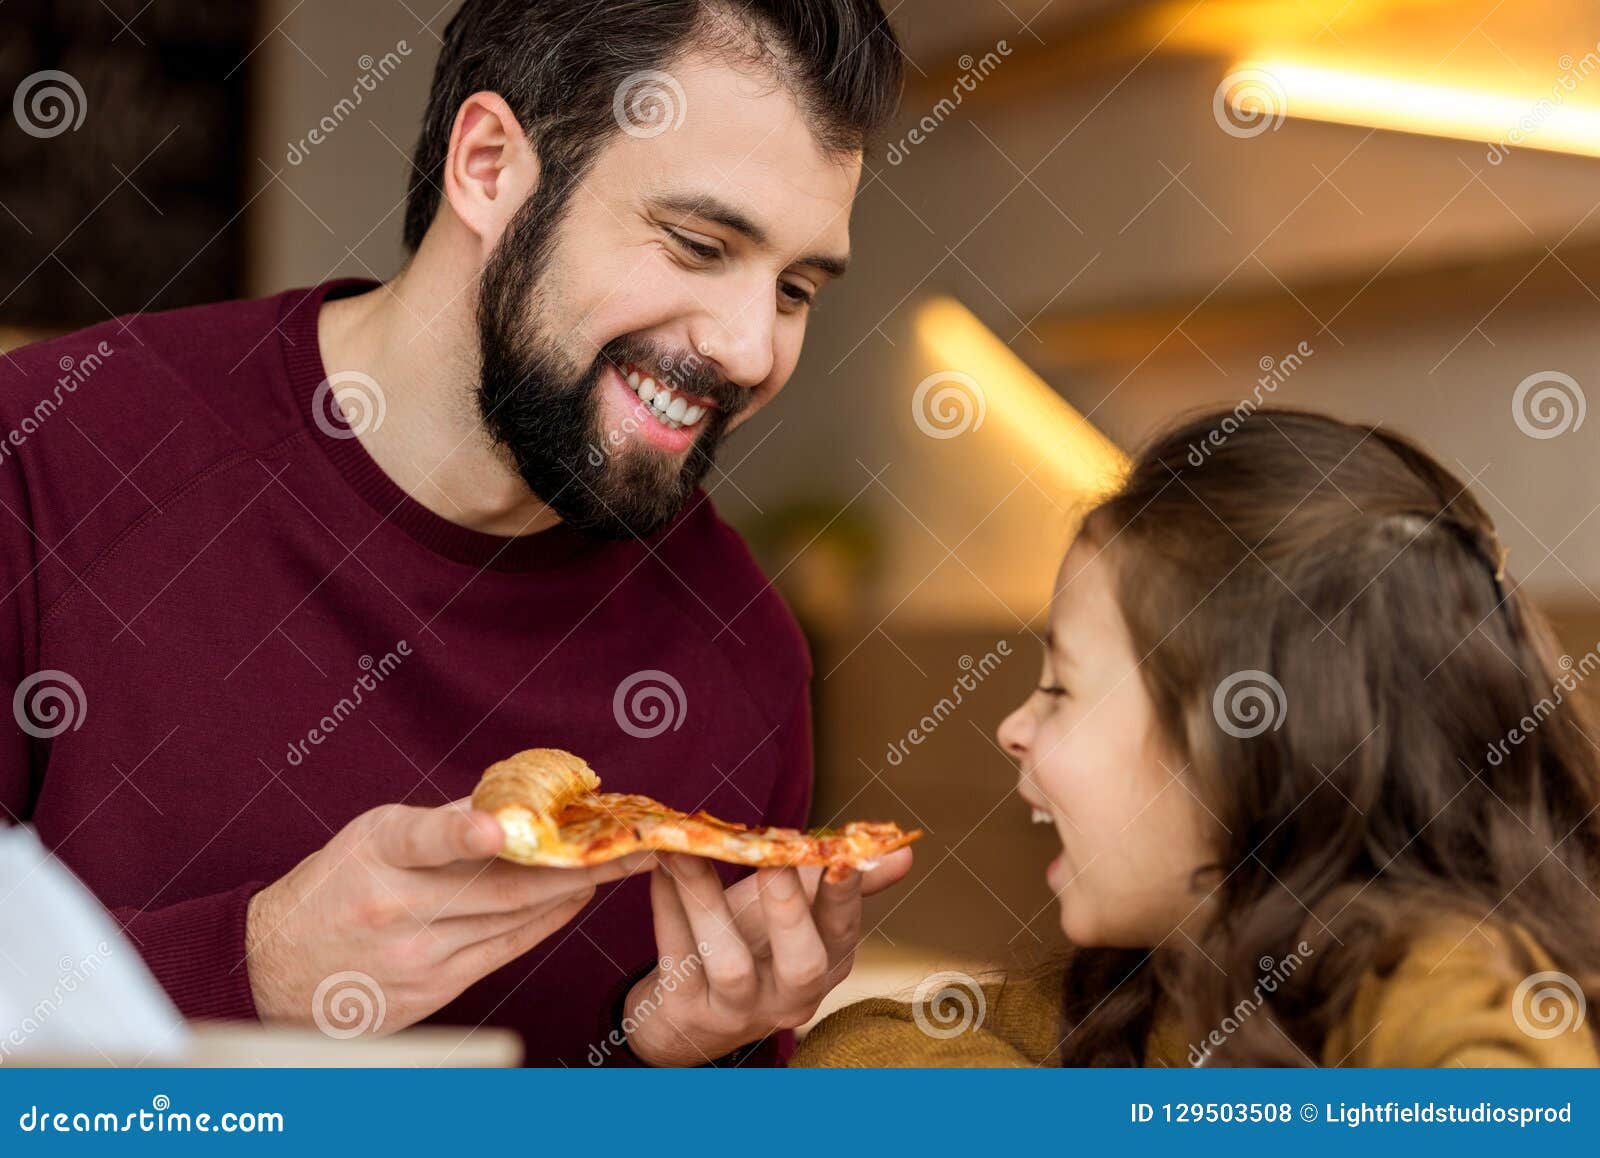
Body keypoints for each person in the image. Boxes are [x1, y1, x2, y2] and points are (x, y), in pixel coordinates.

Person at [0, 0, 912, 1066]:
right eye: (699, 244)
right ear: (487, 166)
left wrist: (653, 1050)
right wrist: (255, 967)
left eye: (796, 289)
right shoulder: (48, 457)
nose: (752, 350)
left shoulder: (742, 654)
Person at [797, 407, 1600, 1067]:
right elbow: (852, 1044)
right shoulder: (1160, 984)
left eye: (1061, 688)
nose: (1011, 729)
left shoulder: (1442, 983)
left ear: (1246, 743)